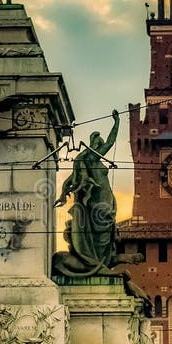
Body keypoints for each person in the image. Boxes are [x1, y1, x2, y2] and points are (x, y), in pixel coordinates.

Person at [53, 111, 120, 276]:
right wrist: (62, 194)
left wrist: (117, 122)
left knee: (105, 235)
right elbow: (69, 181)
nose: (101, 145)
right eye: (98, 143)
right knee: (100, 236)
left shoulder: (94, 160)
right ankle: (96, 263)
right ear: (93, 145)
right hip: (97, 203)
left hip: (107, 201)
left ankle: (99, 262)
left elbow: (110, 141)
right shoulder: (88, 160)